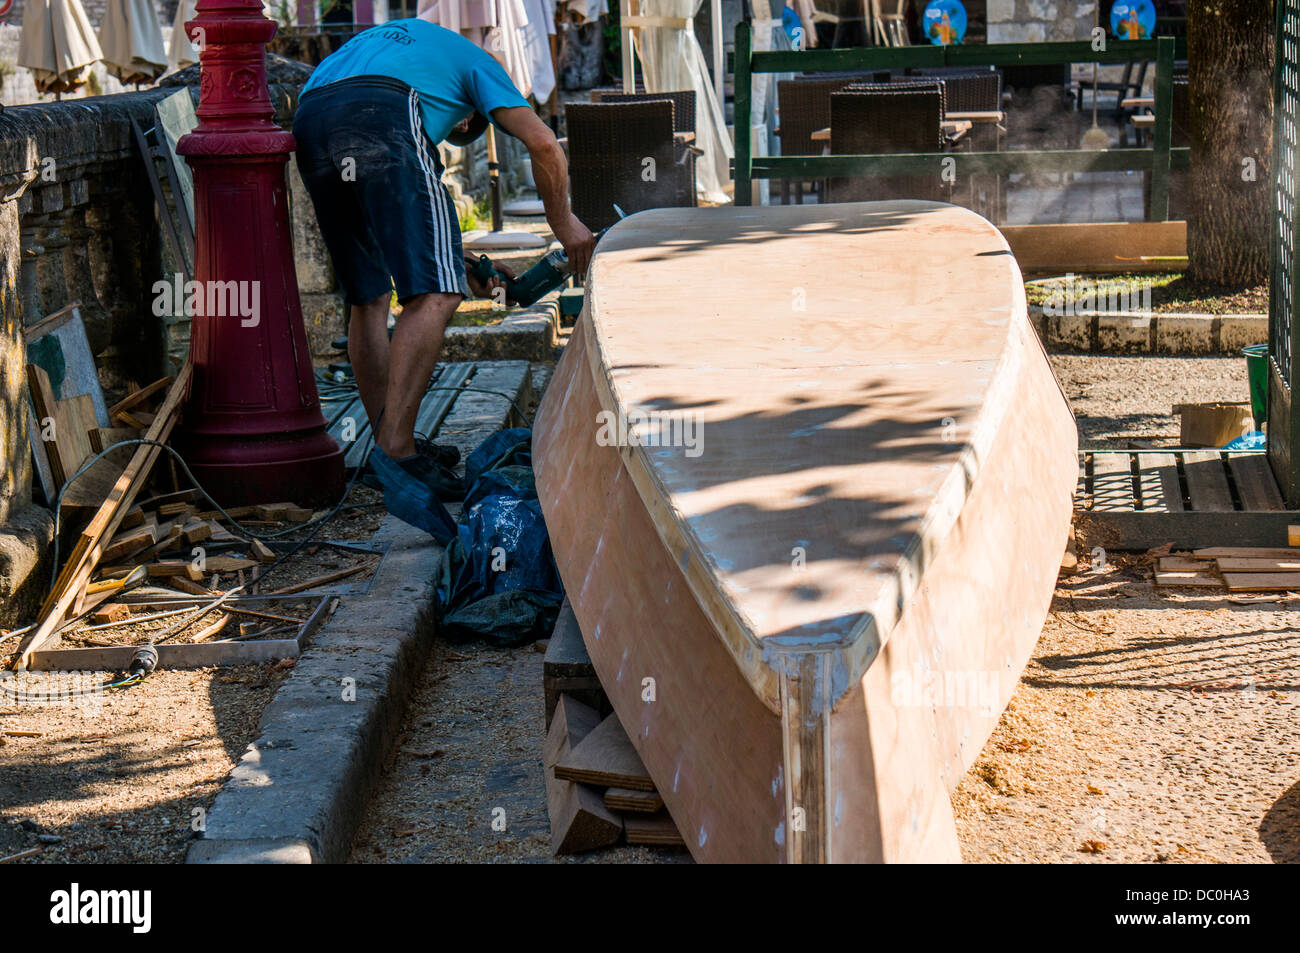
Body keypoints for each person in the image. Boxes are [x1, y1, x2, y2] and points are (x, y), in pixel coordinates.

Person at [293, 15, 596, 540]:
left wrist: (461, 262)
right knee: (434, 295)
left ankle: (390, 437)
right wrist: (564, 224)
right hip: (384, 110)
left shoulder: (404, 40)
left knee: (368, 297)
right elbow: (544, 143)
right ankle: (397, 452)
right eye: (460, 129)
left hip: (313, 117)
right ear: (470, 120)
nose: (451, 134)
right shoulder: (481, 66)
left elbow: (403, 222)